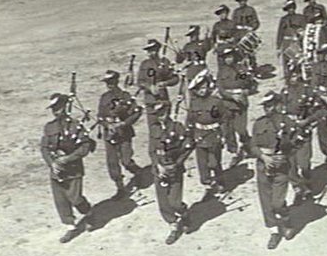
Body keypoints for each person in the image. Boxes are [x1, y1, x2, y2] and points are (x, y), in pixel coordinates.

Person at [40, 93, 94, 243]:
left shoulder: (76, 126)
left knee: (75, 198)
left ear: (65, 107)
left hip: (73, 169)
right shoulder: (49, 127)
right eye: (53, 109)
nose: (56, 111)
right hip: (57, 171)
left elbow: (85, 147)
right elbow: (44, 148)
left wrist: (67, 159)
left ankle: (88, 212)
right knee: (61, 200)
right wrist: (52, 163)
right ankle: (70, 227)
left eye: (58, 108)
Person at [250, 92, 298, 249]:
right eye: (265, 106)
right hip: (263, 165)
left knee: (277, 202)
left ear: (278, 105)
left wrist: (285, 153)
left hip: (281, 166)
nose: (268, 109)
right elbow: (252, 146)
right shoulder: (259, 124)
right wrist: (263, 157)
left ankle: (285, 218)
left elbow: (297, 143)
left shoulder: (288, 123)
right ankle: (274, 231)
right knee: (265, 200)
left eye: (271, 105)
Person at [148, 101, 195, 245]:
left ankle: (183, 213)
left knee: (174, 202)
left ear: (168, 111)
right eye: (157, 115)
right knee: (163, 202)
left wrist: (177, 163)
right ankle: (173, 226)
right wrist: (158, 166)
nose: (160, 117)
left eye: (162, 113)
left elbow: (188, 146)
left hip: (174, 169)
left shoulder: (177, 127)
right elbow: (152, 150)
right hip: (160, 170)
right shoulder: (154, 129)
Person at [280, 66, 327, 202]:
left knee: (304, 162)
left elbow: (319, 111)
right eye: (291, 75)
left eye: (295, 75)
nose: (293, 78)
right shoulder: (284, 92)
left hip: (303, 131)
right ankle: (299, 188)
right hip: (288, 132)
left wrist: (307, 120)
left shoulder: (308, 91)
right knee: (290, 163)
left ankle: (306, 180)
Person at [96, 70, 143, 199]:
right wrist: (107, 125)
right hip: (110, 134)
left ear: (116, 81)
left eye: (111, 82)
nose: (109, 85)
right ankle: (120, 188)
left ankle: (138, 173)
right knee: (112, 162)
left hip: (124, 133)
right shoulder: (104, 97)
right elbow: (100, 116)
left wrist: (124, 123)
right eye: (107, 83)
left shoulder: (125, 96)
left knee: (126, 161)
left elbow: (136, 112)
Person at [186, 69, 229, 195]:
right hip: (199, 137)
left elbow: (225, 119)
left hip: (213, 136)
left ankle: (220, 181)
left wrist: (224, 135)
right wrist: (189, 137)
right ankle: (208, 184)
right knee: (202, 165)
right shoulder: (194, 103)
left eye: (204, 87)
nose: (202, 90)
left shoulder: (216, 102)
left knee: (214, 162)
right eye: (199, 88)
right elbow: (190, 121)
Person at [216, 46, 254, 162]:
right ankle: (233, 151)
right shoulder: (221, 72)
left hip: (240, 103)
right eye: (226, 57)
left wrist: (246, 92)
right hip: (227, 103)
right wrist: (230, 96)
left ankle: (248, 146)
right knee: (228, 129)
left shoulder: (241, 69)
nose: (229, 59)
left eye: (230, 56)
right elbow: (220, 89)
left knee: (241, 128)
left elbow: (251, 85)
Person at [137, 39, 179, 124]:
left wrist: (165, 83)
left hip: (163, 99)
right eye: (148, 50)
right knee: (154, 129)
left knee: (166, 125)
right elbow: (139, 81)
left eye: (152, 50)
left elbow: (175, 79)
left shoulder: (164, 62)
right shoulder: (144, 64)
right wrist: (149, 87)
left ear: (158, 50)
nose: (150, 52)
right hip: (150, 101)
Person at [276, 0, 307, 76]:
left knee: (298, 61)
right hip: (287, 43)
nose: (291, 10)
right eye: (289, 8)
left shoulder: (301, 18)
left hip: (297, 42)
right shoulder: (283, 19)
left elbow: (305, 30)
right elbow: (280, 34)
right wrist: (278, 47)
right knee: (287, 62)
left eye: (292, 8)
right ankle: (288, 80)